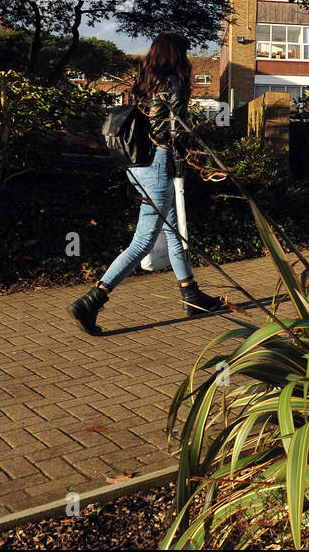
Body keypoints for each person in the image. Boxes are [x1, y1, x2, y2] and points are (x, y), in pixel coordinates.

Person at [68, 32, 223, 335]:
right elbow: (175, 130)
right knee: (143, 241)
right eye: (184, 52)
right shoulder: (176, 81)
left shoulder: (145, 81)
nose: (188, 59)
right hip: (157, 163)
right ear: (176, 54)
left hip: (135, 165)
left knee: (173, 229)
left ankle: (191, 295)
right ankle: (92, 301)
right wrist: (194, 143)